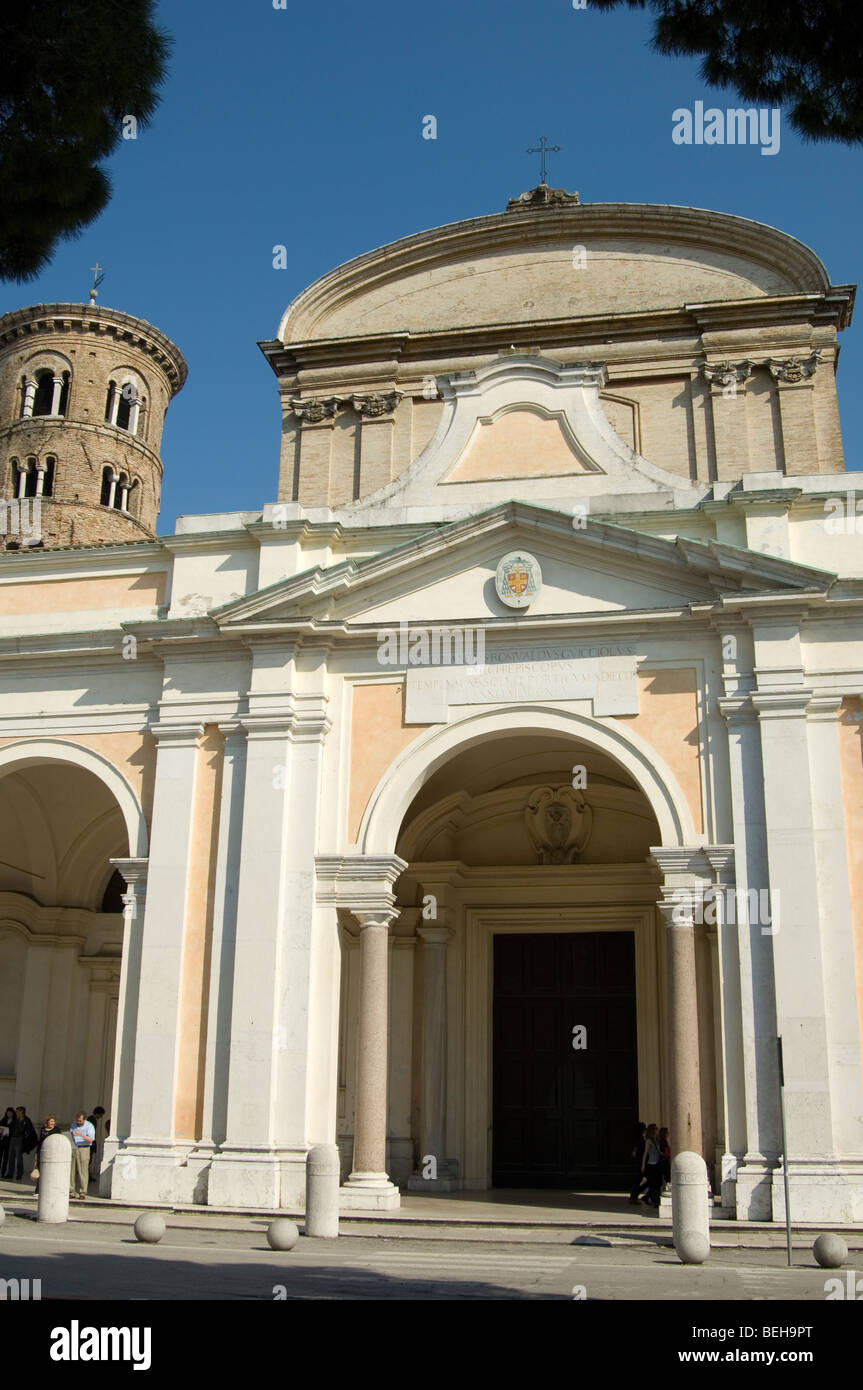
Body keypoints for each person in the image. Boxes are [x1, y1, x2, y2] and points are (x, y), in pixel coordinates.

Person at [6, 1106, 37, 1181]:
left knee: (19, 1157)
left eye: (18, 1112)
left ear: (21, 1112)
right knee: (11, 1157)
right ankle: (10, 1173)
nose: (16, 1113)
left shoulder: (26, 1120)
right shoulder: (15, 1119)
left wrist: (26, 1138)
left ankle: (19, 1174)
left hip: (20, 1139)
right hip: (13, 1138)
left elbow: (29, 1131)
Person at [69, 1111, 95, 1198]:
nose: (79, 1122)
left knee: (83, 1170)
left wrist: (81, 1135)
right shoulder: (73, 1125)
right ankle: (71, 1190)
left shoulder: (89, 1126)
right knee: (71, 1169)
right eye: (78, 1121)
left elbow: (91, 1139)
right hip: (74, 1147)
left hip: (84, 1148)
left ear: (85, 1119)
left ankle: (83, 1191)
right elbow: (71, 1135)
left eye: (80, 1121)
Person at [32, 1115, 59, 1195]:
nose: (52, 1123)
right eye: (51, 1121)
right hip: (42, 1152)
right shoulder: (43, 1130)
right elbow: (40, 1142)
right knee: (40, 1172)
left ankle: (50, 1189)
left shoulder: (56, 1130)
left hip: (52, 1153)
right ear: (47, 1122)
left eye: (53, 1121)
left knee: (51, 1172)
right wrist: (37, 1154)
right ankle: (38, 1190)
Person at [641, 1122, 663, 1207]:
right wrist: (643, 1165)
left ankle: (647, 1197)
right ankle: (655, 1201)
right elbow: (645, 1153)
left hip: (657, 1164)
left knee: (658, 1184)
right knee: (653, 1184)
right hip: (651, 1165)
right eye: (656, 1129)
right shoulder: (649, 1141)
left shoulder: (656, 1140)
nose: (658, 1130)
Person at [628, 1121, 647, 1204]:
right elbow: (636, 1152)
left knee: (638, 1180)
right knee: (638, 1181)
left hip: (638, 1163)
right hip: (640, 1163)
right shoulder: (640, 1140)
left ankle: (634, 1196)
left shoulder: (639, 1139)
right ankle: (634, 1196)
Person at [0, 1106, 15, 1178]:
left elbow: (14, 1130)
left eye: (10, 1113)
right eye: (8, 1113)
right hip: (2, 1140)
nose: (9, 1114)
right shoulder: (3, 1119)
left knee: (6, 1158)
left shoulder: (14, 1121)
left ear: (12, 1113)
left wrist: (9, 1132)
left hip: (9, 1141)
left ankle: (3, 1172)